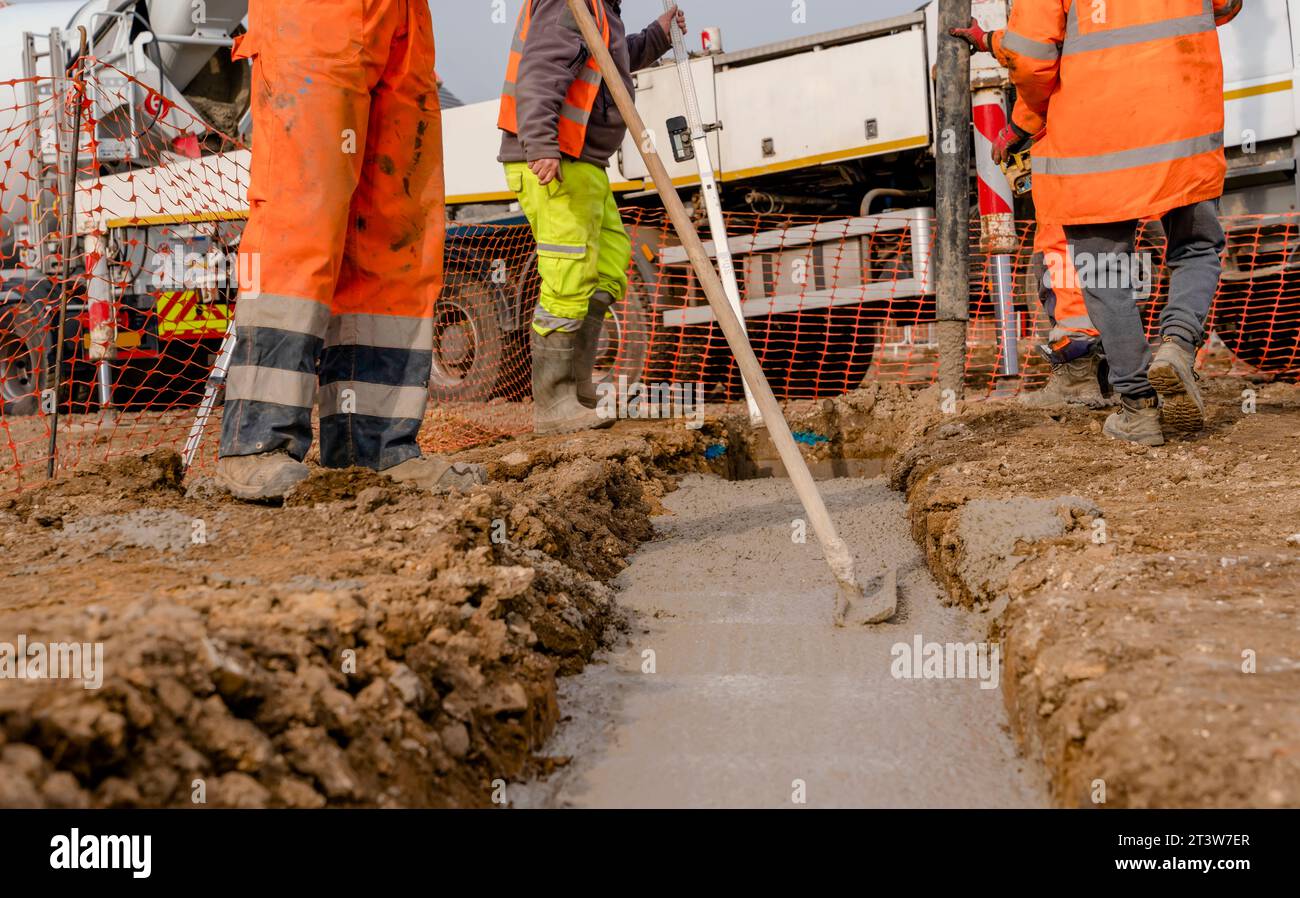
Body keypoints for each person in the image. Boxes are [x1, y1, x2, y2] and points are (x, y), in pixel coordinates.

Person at [215, 0, 485, 500]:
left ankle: (375, 447)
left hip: (404, 22)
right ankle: (258, 441)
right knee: (301, 222)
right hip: (317, 18)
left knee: (395, 237)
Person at [952, 0, 1244, 445]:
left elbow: (1033, 58)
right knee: (1197, 248)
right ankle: (1178, 348)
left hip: (1095, 143)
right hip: (1183, 126)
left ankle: (1139, 408)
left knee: (1105, 272)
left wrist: (1022, 122)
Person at [499, 0, 683, 434]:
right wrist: (541, 144)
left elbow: (610, 61)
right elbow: (540, 70)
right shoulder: (572, 3)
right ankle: (553, 401)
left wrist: (657, 34)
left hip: (586, 161)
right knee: (569, 274)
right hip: (556, 159)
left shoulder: (602, 10)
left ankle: (579, 391)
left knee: (607, 266)